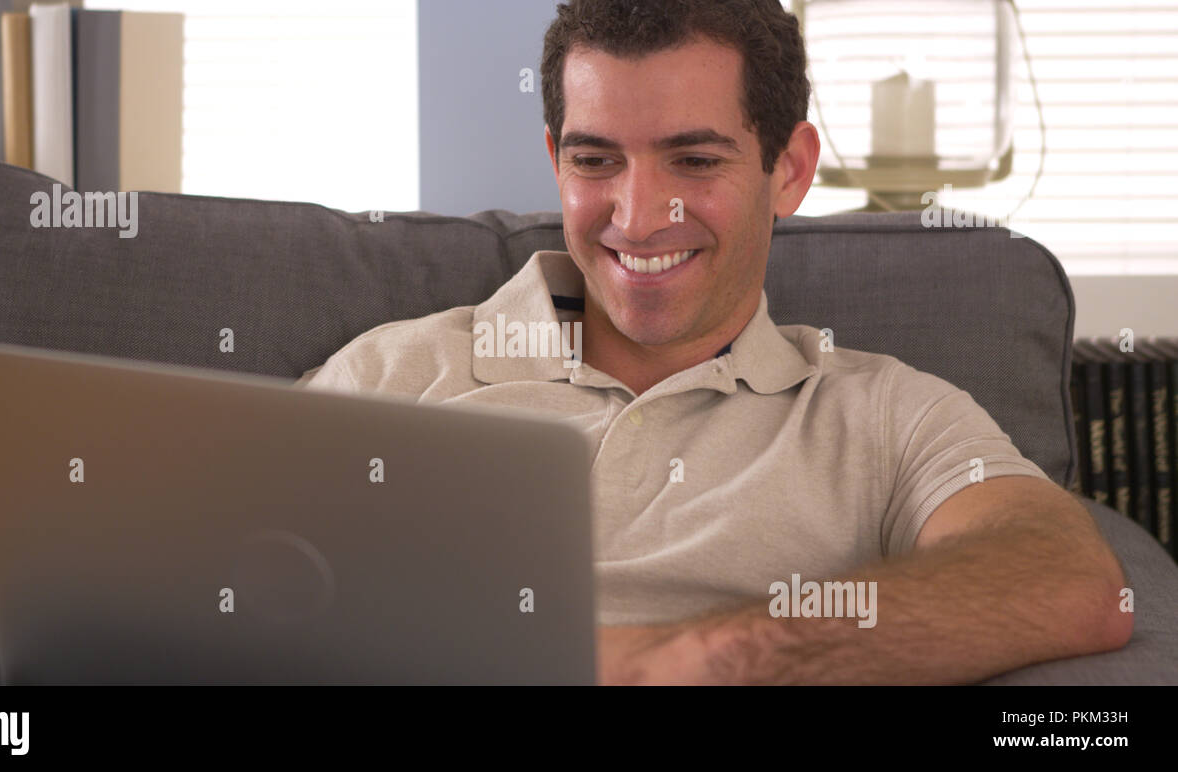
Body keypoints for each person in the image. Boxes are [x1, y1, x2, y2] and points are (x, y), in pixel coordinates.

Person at [297, 0, 1130, 684]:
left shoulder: (885, 414)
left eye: (693, 160)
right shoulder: (388, 373)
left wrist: (696, 656)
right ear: (556, 162)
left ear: (790, 170)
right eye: (595, 161)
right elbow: (230, 589)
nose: (637, 215)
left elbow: (1064, 575)